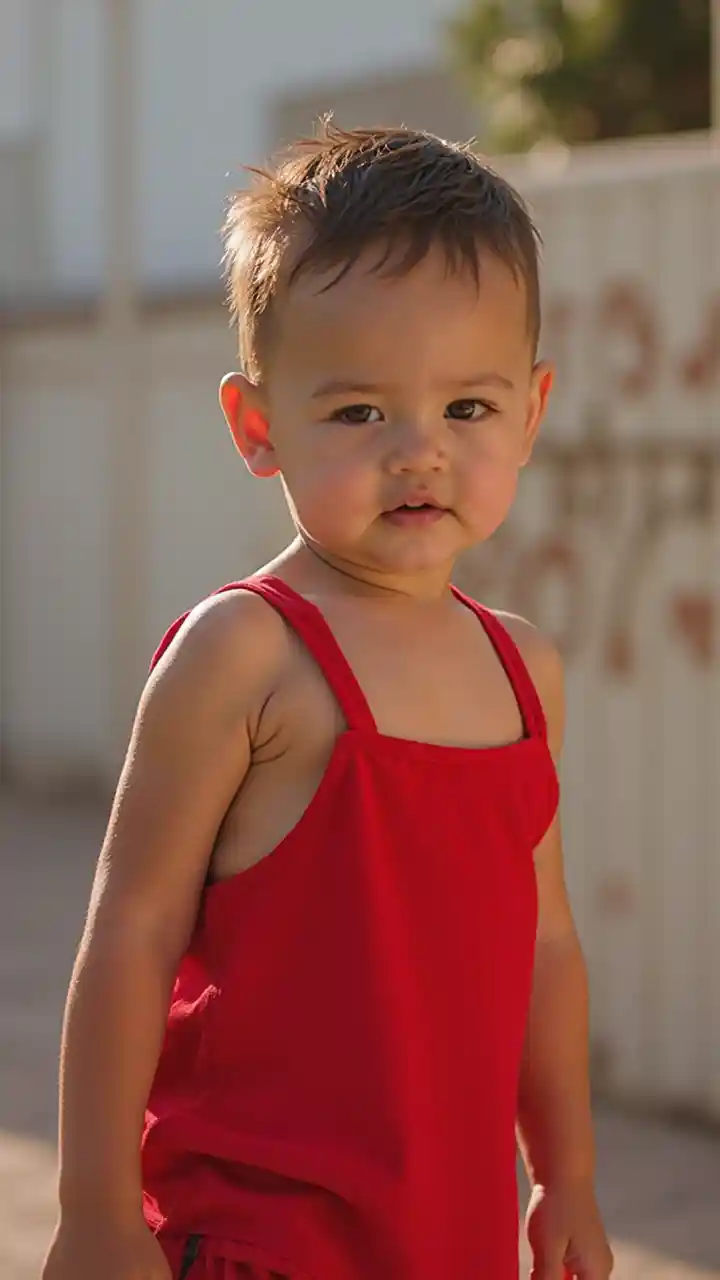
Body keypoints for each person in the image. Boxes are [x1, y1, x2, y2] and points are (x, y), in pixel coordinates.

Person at [43, 122, 613, 1280]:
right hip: (261, 1235)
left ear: (533, 411)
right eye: (359, 412)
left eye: (467, 408)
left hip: (447, 1233)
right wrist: (96, 1211)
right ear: (259, 427)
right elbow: (131, 935)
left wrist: (567, 1175)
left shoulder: (523, 668)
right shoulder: (243, 651)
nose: (420, 452)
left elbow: (547, 948)